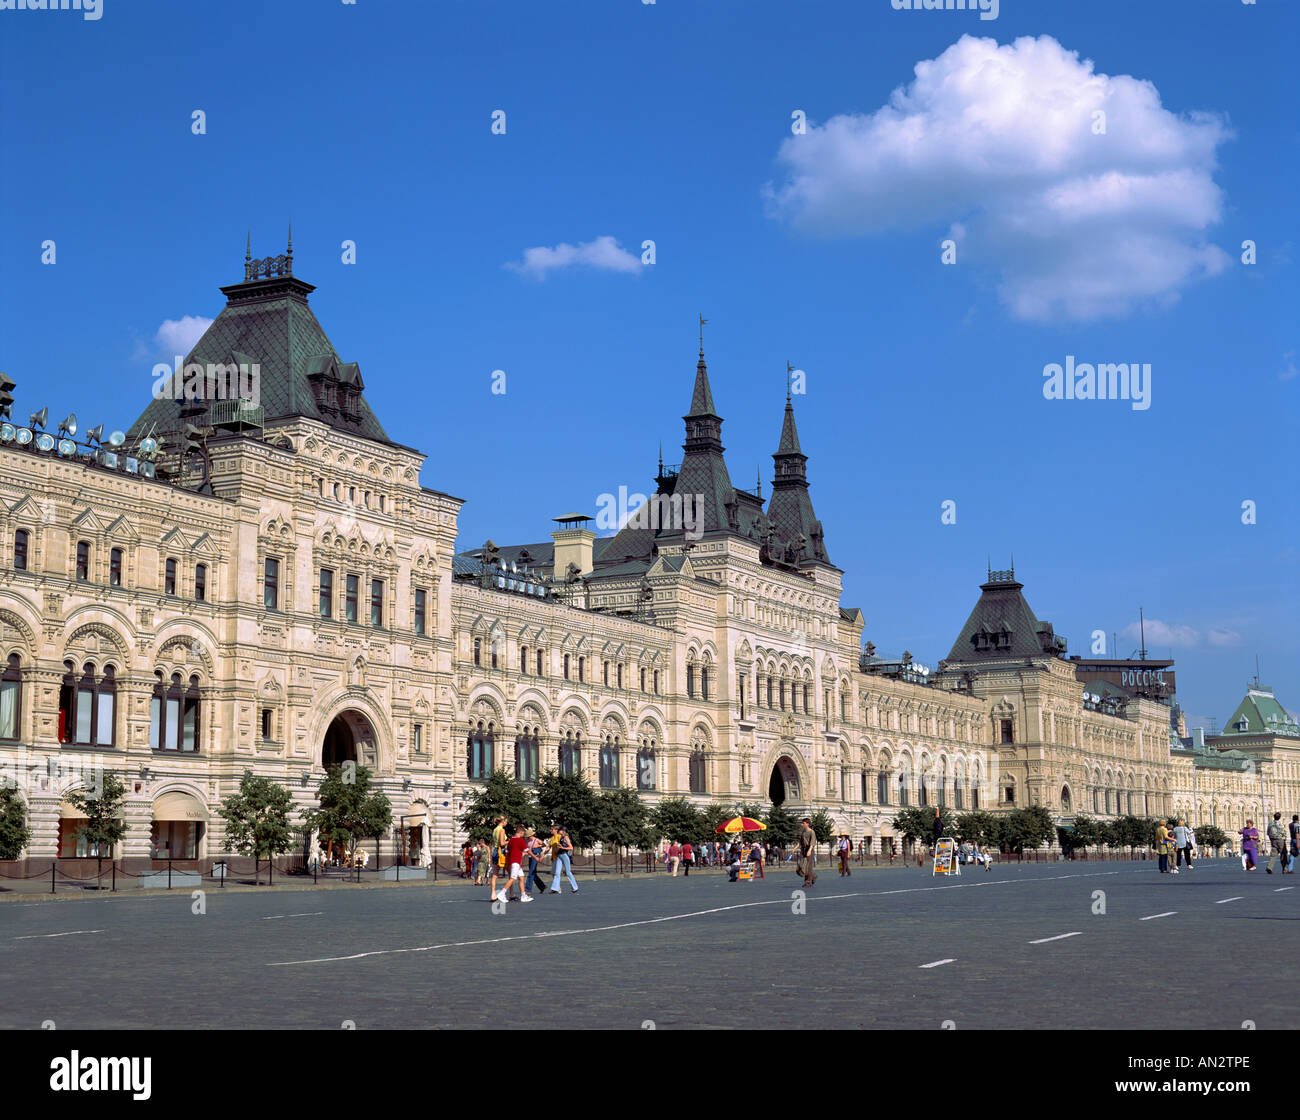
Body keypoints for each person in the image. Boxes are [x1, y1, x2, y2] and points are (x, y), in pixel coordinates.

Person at [499, 825, 533, 903]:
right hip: (516, 862)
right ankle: (502, 893)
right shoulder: (520, 840)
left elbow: (507, 852)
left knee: (521, 877)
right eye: (523, 834)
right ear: (521, 832)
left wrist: (507, 863)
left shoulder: (511, 840)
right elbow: (527, 850)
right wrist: (535, 857)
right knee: (513, 878)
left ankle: (523, 896)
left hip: (514, 862)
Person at [549, 828, 579, 894]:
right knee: (557, 872)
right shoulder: (561, 837)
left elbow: (571, 848)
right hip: (559, 855)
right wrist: (557, 850)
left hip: (564, 855)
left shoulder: (566, 837)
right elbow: (559, 846)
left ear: (563, 831)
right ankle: (555, 888)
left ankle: (575, 887)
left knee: (568, 872)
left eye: (560, 830)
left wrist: (563, 848)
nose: (559, 831)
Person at [487, 815, 509, 901]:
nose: (506, 823)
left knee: (495, 874)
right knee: (510, 873)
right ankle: (510, 893)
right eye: (506, 821)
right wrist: (509, 841)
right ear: (503, 821)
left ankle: (493, 894)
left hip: (495, 851)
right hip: (502, 852)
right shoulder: (502, 830)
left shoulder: (495, 830)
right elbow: (502, 843)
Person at [524, 828, 548, 897]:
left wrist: (538, 846)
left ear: (531, 835)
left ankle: (527, 889)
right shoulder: (528, 841)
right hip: (530, 857)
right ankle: (542, 886)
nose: (528, 838)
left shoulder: (537, 840)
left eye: (528, 836)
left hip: (535, 856)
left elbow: (544, 845)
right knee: (533, 873)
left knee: (531, 873)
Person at [797, 817, 817, 887]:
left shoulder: (812, 832)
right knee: (802, 866)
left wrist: (809, 850)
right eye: (802, 823)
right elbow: (800, 842)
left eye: (803, 823)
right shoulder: (803, 832)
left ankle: (808, 882)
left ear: (807, 824)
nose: (802, 824)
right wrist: (794, 849)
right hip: (803, 850)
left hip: (809, 850)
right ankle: (813, 876)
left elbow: (813, 842)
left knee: (808, 867)